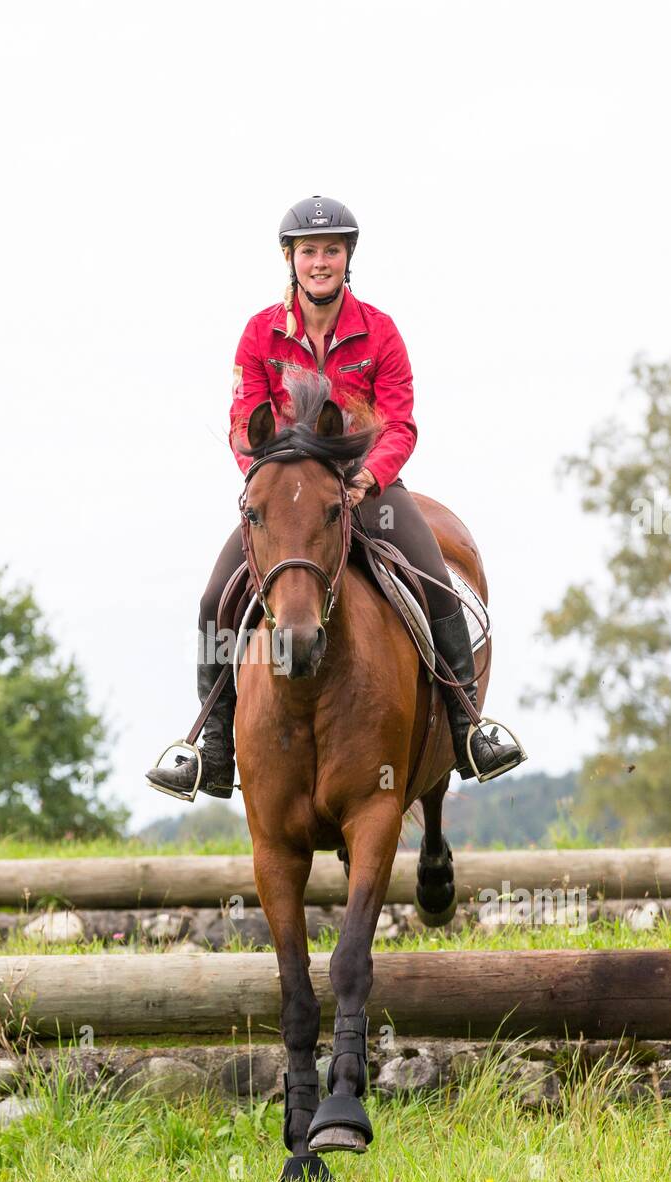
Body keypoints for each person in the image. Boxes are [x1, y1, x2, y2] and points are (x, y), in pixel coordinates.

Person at [146, 195, 526, 799]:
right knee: (215, 596)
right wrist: (265, 479)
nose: (319, 261)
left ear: (347, 258)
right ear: (290, 260)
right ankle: (212, 746)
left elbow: (399, 424)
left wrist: (365, 479)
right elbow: (244, 418)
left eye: (330, 251)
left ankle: (469, 727)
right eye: (308, 252)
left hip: (367, 490)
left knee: (433, 580)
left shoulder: (381, 332)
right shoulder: (258, 333)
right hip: (286, 498)